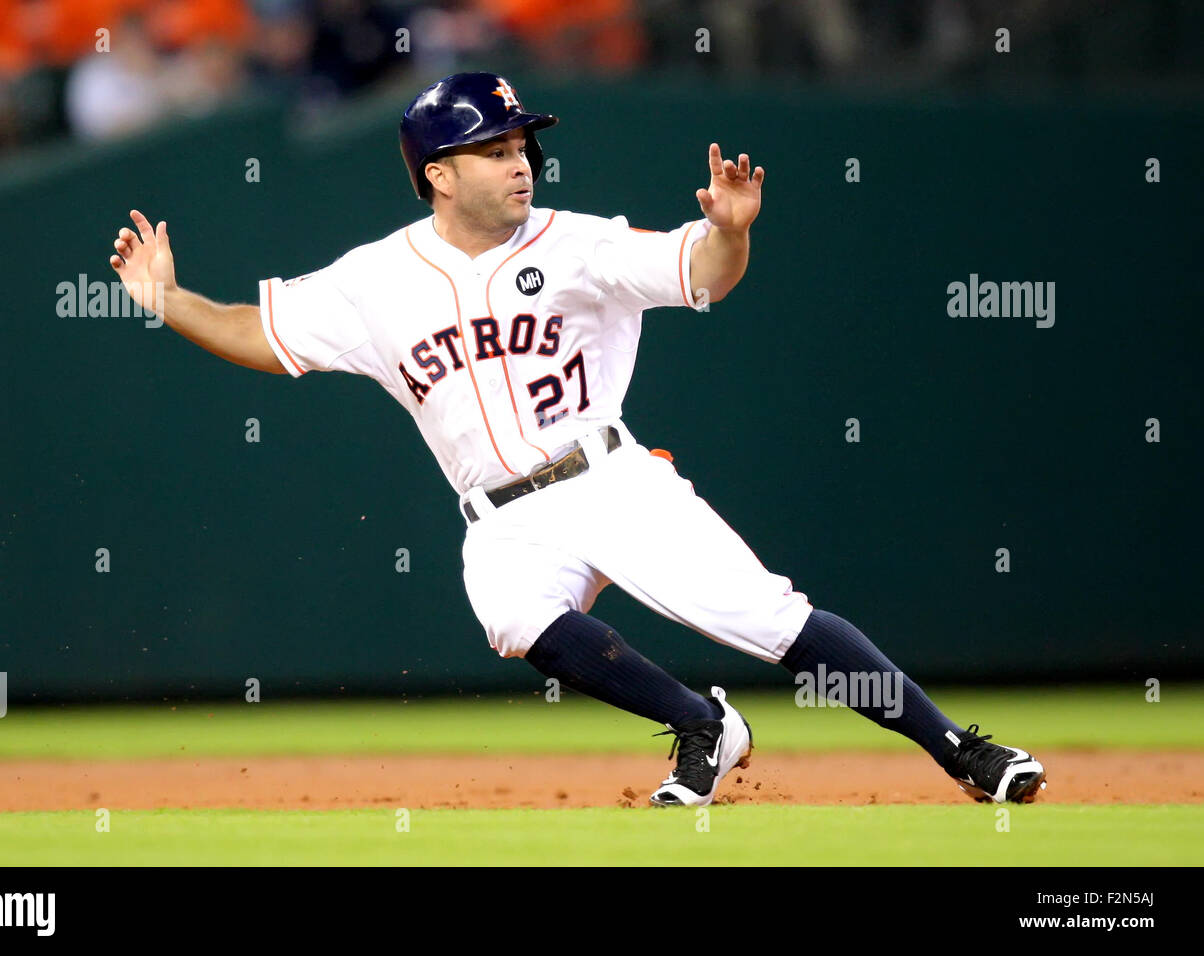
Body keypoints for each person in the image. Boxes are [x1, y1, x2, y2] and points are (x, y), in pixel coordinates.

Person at [109, 72, 1046, 807]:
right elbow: (261, 335)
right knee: (510, 613)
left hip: (607, 479)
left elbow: (703, 274)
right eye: (493, 149)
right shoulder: (372, 281)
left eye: (523, 144)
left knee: (770, 622)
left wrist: (731, 234)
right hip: (500, 515)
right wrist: (168, 302)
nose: (520, 162)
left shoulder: (578, 242)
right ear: (438, 175)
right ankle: (701, 727)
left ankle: (961, 748)